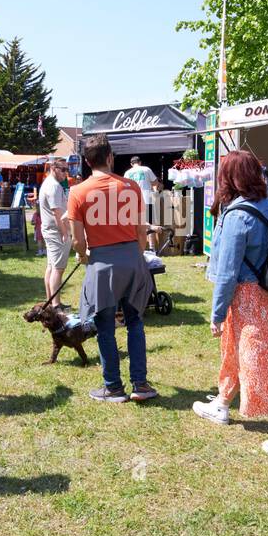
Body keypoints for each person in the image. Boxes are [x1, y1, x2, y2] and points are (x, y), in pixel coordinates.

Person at [196, 149, 268, 458]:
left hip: (247, 297)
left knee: (260, 364)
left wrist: (217, 313)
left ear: (229, 178)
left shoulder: (237, 215)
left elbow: (228, 271)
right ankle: (221, 404)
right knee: (235, 352)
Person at [66, 135, 157, 403]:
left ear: (86, 161)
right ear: (110, 157)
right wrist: (137, 254)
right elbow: (142, 230)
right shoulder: (131, 187)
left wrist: (84, 256)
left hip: (101, 264)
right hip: (131, 258)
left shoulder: (77, 192)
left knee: (104, 325)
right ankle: (140, 384)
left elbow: (77, 241)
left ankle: (113, 387)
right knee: (135, 323)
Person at [39, 157, 72, 308]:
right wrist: (65, 232)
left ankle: (51, 302)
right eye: (63, 169)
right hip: (56, 232)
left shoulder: (50, 183)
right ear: (53, 168)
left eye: (67, 169)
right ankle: (56, 305)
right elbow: (56, 213)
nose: (66, 173)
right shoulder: (54, 186)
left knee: (52, 267)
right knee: (58, 269)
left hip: (51, 230)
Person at [124, 155, 161, 250]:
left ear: (131, 164)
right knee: (150, 224)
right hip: (146, 199)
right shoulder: (146, 169)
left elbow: (124, 188)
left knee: (136, 225)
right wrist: (154, 188)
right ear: (140, 162)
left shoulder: (127, 173)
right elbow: (155, 182)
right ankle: (152, 248)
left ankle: (138, 248)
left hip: (133, 201)